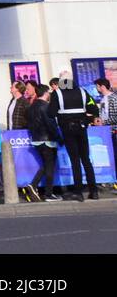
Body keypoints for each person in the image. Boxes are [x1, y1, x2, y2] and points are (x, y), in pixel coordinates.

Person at [49, 71, 100, 200]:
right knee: (86, 159)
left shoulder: (57, 93)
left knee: (75, 160)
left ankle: (78, 192)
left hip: (67, 129)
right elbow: (94, 109)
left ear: (61, 82)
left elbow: (51, 113)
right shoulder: (82, 92)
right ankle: (94, 191)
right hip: (82, 127)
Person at [25, 82, 62, 201]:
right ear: (46, 93)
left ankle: (35, 185)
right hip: (48, 140)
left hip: (36, 140)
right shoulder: (46, 106)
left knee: (46, 166)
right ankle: (48, 193)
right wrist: (59, 138)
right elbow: (50, 125)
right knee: (49, 166)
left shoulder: (31, 107)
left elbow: (29, 124)